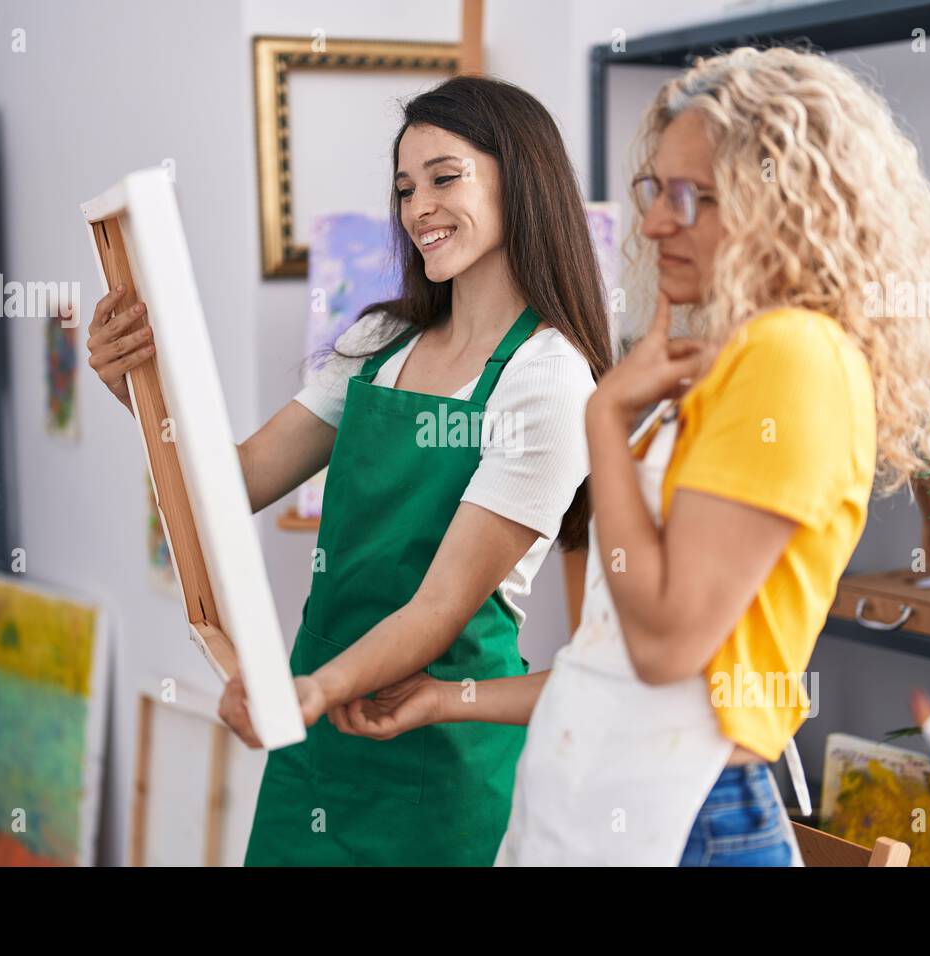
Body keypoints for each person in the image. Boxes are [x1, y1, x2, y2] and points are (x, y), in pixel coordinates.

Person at [337, 46, 930, 866]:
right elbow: (613, 662)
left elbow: (667, 646)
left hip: (686, 819)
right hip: (618, 804)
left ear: (782, 201)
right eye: (654, 190)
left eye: (691, 197)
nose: (653, 223)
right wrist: (443, 698)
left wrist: (605, 423)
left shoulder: (793, 358)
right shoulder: (735, 360)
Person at [85, 74, 611, 865]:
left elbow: (438, 609)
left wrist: (314, 691)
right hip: (316, 736)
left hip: (433, 750)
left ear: (522, 179)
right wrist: (134, 386)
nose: (419, 208)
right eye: (405, 189)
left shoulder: (549, 379)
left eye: (445, 178)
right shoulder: (380, 345)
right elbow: (230, 489)